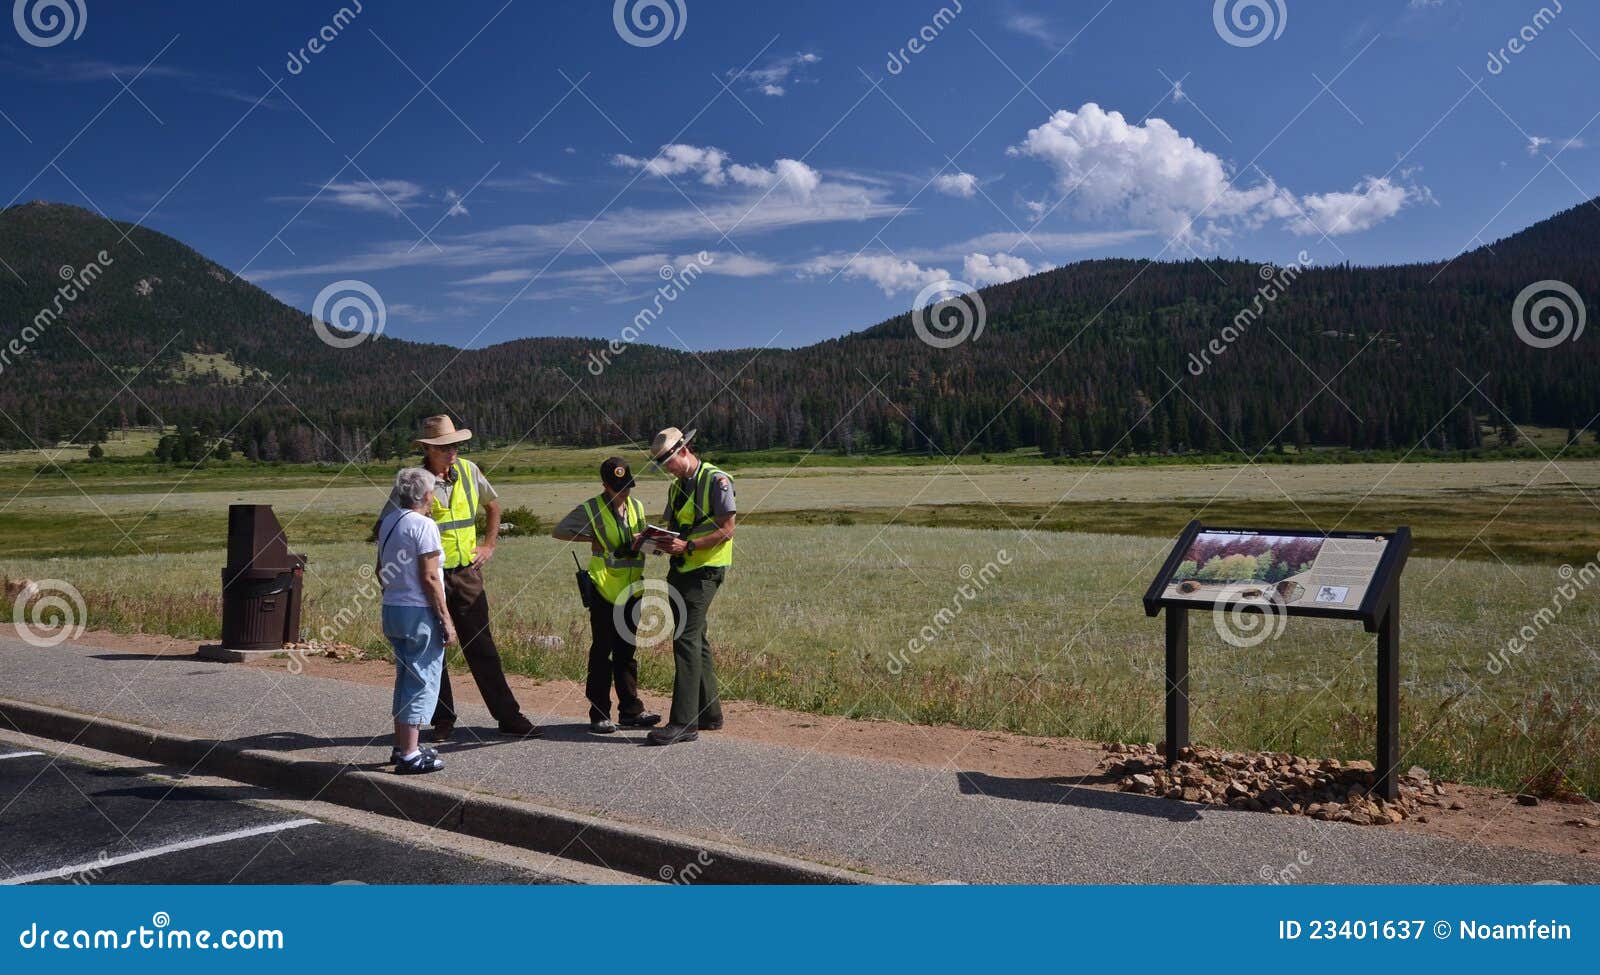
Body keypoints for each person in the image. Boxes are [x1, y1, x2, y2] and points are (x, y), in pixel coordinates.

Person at [386, 415, 541, 741]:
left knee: (482, 646)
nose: (452, 452)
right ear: (427, 449)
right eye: (444, 447)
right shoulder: (413, 482)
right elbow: (392, 525)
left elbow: (493, 506)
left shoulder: (469, 471)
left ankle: (508, 716)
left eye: (455, 445)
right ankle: (442, 719)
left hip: (467, 574)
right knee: (434, 650)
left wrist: (488, 545)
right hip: (429, 577)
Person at [551, 458, 663, 734]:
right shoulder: (591, 508)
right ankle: (599, 713)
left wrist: (649, 542)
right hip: (603, 589)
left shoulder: (637, 507)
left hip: (633, 588)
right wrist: (591, 538)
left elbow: (642, 540)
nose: (624, 492)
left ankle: (631, 711)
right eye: (618, 487)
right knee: (602, 652)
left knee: (627, 652)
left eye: (627, 486)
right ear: (605, 485)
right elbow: (559, 530)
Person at [644, 427, 736, 746]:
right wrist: (654, 541)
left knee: (684, 638)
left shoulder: (717, 480)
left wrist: (690, 546)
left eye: (668, 462)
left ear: (683, 451)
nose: (667, 469)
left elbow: (727, 530)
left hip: (705, 571)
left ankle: (684, 722)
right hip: (682, 569)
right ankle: (710, 714)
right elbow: (674, 528)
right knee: (697, 638)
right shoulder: (676, 487)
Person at [377, 467, 453, 775]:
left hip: (393, 608)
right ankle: (410, 754)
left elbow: (380, 569)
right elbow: (430, 576)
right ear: (426, 495)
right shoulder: (424, 525)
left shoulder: (389, 522)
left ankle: (402, 745)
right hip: (418, 611)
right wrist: (445, 619)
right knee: (421, 679)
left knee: (405, 678)